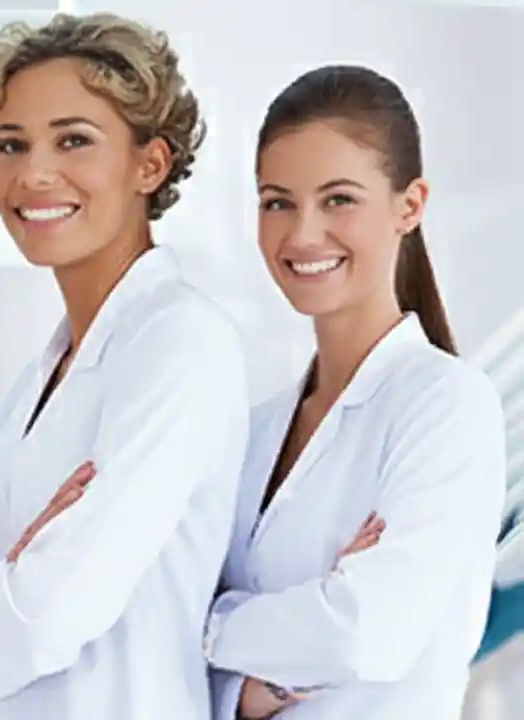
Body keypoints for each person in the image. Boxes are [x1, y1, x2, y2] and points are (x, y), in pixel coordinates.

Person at [0, 13, 250, 719]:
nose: (33, 173)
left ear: (149, 164)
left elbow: (49, 611)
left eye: (74, 140)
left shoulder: (182, 343)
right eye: (10, 144)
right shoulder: (43, 374)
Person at [205, 65, 506, 720]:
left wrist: (213, 626)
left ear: (410, 205)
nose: (303, 233)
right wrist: (259, 683)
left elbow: (367, 633)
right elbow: (175, 656)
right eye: (277, 201)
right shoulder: (254, 427)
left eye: (338, 199)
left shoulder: (447, 404)